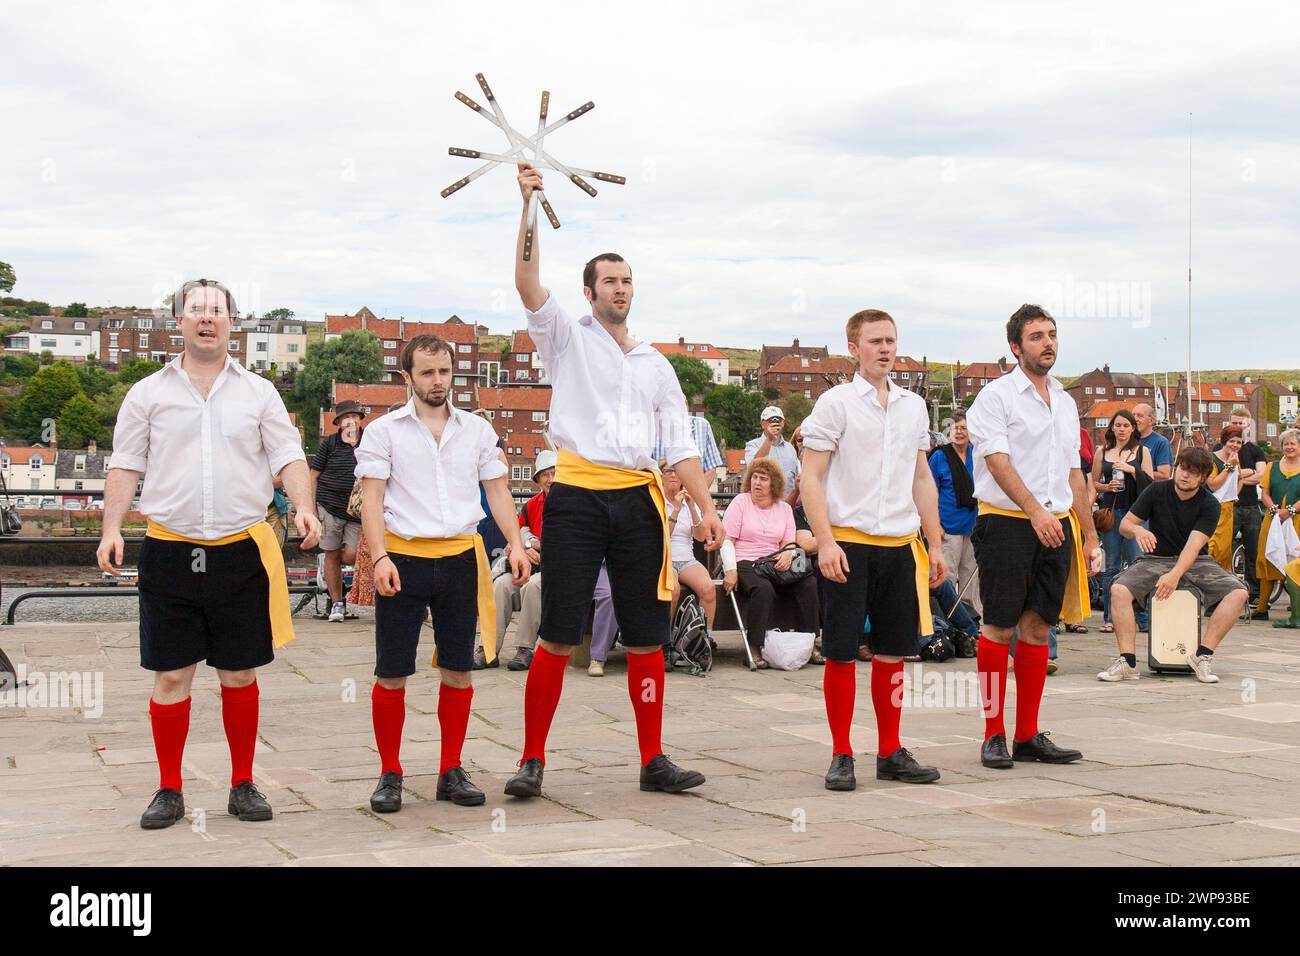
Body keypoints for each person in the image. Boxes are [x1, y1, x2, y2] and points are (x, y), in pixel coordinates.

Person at [504, 160, 723, 799]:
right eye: (609, 280)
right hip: (574, 496)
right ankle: (532, 760)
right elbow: (525, 280)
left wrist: (707, 510)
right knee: (557, 631)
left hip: (639, 501)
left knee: (649, 631)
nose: (621, 289)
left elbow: (680, 446)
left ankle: (654, 759)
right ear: (590, 289)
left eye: (628, 280)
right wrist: (527, 207)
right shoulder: (565, 339)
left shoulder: (656, 364)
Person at [96, 278, 322, 830]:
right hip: (170, 551)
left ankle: (242, 783)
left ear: (231, 323)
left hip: (240, 552)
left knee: (239, 674)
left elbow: (289, 455)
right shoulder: (147, 393)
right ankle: (168, 788)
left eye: (216, 310)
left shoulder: (260, 393)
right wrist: (111, 528)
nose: (206, 318)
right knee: (172, 676)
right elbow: (125, 464)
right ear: (178, 322)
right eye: (195, 310)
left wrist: (305, 507)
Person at [354, 334, 530, 812]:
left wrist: (515, 543)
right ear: (406, 376)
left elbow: (496, 493)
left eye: (445, 372)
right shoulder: (383, 431)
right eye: (427, 372)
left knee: (458, 670)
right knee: (392, 672)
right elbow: (372, 498)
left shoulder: (476, 430)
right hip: (404, 559)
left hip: (458, 560)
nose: (438, 381)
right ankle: (390, 773)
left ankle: (450, 769)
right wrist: (380, 556)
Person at [801, 308, 947, 791]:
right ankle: (842, 752)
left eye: (891, 340)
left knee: (893, 653)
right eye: (876, 341)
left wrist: (936, 542)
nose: (886, 348)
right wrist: (824, 541)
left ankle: (890, 750)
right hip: (848, 543)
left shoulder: (914, 406)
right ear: (854, 348)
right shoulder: (835, 404)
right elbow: (810, 478)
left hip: (899, 545)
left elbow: (921, 476)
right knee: (842, 652)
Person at [965, 304, 1102, 770]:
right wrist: (1033, 511)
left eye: (1052, 334)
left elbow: (1073, 472)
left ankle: (1027, 734)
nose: (1048, 343)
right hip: (1006, 522)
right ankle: (992, 734)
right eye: (1037, 336)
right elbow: (997, 460)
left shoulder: (1064, 402)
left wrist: (1088, 535)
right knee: (999, 627)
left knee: (1039, 626)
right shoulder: (995, 397)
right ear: (1015, 347)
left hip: (1057, 524)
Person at [1100, 446, 1248, 683]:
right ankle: (1127, 661)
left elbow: (1193, 545)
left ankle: (1203, 655)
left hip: (1197, 560)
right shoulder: (1157, 490)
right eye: (1182, 468)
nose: (1184, 475)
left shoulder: (1209, 503)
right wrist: (1138, 530)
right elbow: (1125, 525)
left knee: (1238, 593)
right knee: (1118, 589)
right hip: (1156, 559)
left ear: (1202, 478)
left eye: (1192, 472)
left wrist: (1175, 574)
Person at [723, 458, 820, 669]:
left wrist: (789, 554)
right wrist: (730, 571)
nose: (757, 483)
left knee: (809, 584)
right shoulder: (740, 502)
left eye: (763, 479)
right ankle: (754, 647)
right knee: (764, 589)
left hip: (774, 561)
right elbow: (727, 541)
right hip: (745, 561)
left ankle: (809, 642)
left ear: (773, 483)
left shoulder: (784, 509)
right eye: (755, 478)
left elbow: (789, 542)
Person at [473, 449, 556, 672]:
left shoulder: (573, 504)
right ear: (538, 480)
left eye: (554, 473)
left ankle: (524, 648)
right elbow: (516, 538)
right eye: (545, 475)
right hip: (532, 565)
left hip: (558, 572)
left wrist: (535, 545)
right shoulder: (532, 505)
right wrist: (525, 546)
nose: (551, 479)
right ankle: (488, 649)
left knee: (533, 586)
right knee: (500, 585)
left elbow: (571, 545)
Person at [1091, 409, 1155, 633]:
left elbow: (1151, 483)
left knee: (1139, 565)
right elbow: (1094, 482)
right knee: (1111, 567)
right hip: (1111, 513)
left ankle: (1143, 619)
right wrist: (1106, 487)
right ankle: (1109, 618)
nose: (1121, 429)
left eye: (1126, 425)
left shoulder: (1142, 452)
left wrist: (1131, 470)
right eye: (1117, 425)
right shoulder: (1103, 451)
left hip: (1135, 514)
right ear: (1112, 428)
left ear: (1133, 429)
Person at [349, 403, 408, 610]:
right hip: (378, 512)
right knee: (376, 558)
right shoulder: (379, 436)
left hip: (398, 519)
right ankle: (383, 601)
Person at [312, 399, 366, 622]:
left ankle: (328, 563)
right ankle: (337, 603)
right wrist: (311, 507)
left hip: (356, 510)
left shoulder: (369, 441)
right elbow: (314, 474)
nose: (350, 420)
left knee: (353, 554)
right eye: (345, 417)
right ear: (338, 422)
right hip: (329, 504)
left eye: (354, 416)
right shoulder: (330, 444)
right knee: (332, 553)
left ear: (360, 419)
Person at [1216, 408, 1268, 615]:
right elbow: (1215, 478)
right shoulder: (1219, 448)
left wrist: (1235, 477)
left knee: (1253, 551)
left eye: (1242, 423)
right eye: (1235, 422)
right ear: (1229, 422)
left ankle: (1254, 593)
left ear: (1248, 425)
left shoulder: (1255, 450)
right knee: (1222, 550)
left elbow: (1262, 476)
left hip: (1250, 506)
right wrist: (1244, 474)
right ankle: (1221, 591)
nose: (1238, 427)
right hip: (1228, 507)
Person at [929, 411, 980, 617]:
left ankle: (970, 620)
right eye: (955, 428)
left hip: (973, 525)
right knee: (947, 577)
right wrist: (934, 525)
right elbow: (930, 491)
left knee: (970, 579)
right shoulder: (940, 456)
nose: (959, 432)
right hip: (947, 526)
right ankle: (945, 620)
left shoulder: (977, 455)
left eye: (964, 428)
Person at [663, 460, 716, 641]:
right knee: (672, 589)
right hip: (664, 557)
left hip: (686, 558)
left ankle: (703, 639)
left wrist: (692, 507)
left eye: (676, 472)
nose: (672, 475)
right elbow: (662, 536)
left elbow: (700, 537)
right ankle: (666, 640)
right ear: (660, 477)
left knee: (708, 588)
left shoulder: (688, 502)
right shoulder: (657, 502)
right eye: (668, 471)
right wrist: (676, 511)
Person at [1257, 428, 1300, 628]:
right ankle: (1262, 608)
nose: (1289, 447)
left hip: (1297, 522)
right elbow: (1265, 492)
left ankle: (1296, 612)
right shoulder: (1272, 466)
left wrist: (1290, 510)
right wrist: (1274, 508)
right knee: (1266, 559)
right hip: (1273, 520)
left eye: (1293, 443)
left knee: (1294, 562)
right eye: (1286, 444)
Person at [1207, 425, 1245, 572]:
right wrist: (1229, 466)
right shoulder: (1213, 459)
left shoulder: (1235, 459)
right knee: (1211, 546)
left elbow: (1240, 479)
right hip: (1213, 509)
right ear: (1224, 441)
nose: (1235, 445)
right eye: (1232, 441)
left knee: (1224, 549)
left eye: (1238, 442)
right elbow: (1212, 485)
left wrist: (1234, 494)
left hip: (1228, 510)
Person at [743, 406, 800, 494]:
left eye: (778, 420)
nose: (775, 423)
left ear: (783, 423)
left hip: (786, 504)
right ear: (763, 424)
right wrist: (769, 439)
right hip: (762, 503)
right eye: (770, 420)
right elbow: (753, 467)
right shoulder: (752, 445)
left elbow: (797, 477)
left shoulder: (790, 448)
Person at [1133, 404, 1174, 480]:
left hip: (1150, 489)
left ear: (1151, 421)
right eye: (1133, 415)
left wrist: (1134, 472)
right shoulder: (1127, 440)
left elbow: (1164, 475)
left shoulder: (1161, 442)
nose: (1135, 419)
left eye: (1140, 416)